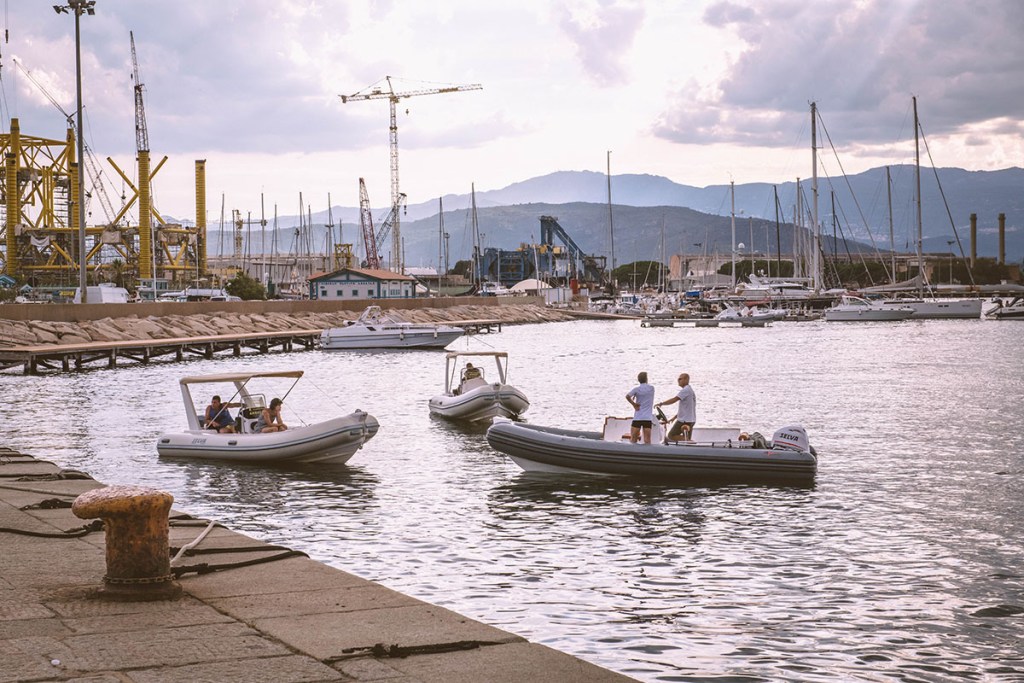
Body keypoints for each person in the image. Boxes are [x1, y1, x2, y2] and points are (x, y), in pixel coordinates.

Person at [657, 373, 696, 443]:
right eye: (678, 379)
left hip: (684, 421)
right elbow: (686, 408)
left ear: (686, 379)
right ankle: (688, 442)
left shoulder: (686, 390)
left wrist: (662, 403)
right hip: (690, 420)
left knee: (671, 435)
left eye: (680, 379)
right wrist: (674, 418)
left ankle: (690, 441)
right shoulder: (690, 390)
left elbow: (674, 399)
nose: (678, 380)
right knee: (685, 439)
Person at [625, 371, 656, 444]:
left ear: (638, 380)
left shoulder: (636, 389)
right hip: (647, 417)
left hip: (638, 417)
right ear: (646, 379)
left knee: (633, 438)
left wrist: (634, 404)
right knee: (647, 440)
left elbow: (627, 396)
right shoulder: (651, 388)